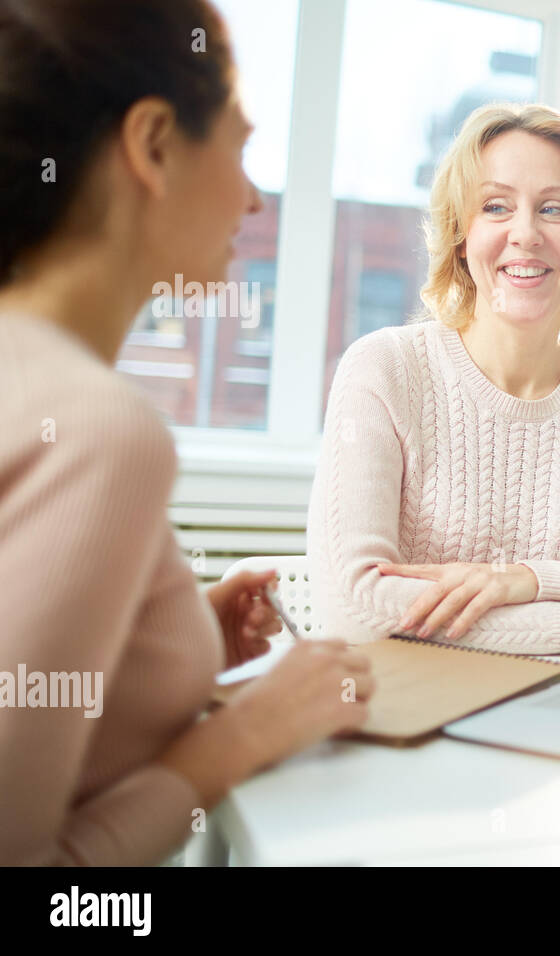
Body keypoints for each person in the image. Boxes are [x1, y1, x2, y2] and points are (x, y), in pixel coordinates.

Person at [0, 0, 375, 866]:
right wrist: (249, 731)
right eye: (241, 148)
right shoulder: (98, 431)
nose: (251, 198)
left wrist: (165, 640)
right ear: (155, 144)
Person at [307, 104, 560, 655]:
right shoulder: (383, 370)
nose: (524, 234)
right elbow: (356, 607)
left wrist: (529, 579)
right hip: (403, 714)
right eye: (496, 206)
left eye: (554, 209)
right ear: (461, 233)